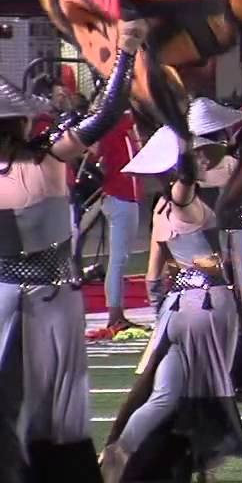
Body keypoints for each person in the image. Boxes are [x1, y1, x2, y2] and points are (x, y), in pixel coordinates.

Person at [0, 19, 142, 481]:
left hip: (6, 299)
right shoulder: (49, 157)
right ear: (20, 120)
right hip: (51, 299)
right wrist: (127, 51)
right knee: (58, 416)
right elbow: (106, 113)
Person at [99, 126, 242, 482]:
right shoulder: (185, 204)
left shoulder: (160, 210)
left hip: (175, 310)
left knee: (165, 395)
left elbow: (153, 276)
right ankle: (207, 467)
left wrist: (163, 313)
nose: (202, 161)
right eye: (195, 158)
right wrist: (187, 156)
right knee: (214, 391)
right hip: (210, 307)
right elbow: (187, 184)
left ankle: (119, 451)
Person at [186, 96, 242, 401]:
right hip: (232, 237)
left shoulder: (200, 161)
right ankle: (240, 380)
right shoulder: (226, 160)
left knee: (228, 308)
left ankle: (231, 378)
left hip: (225, 237)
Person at [93, 112, 142, 334]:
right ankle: (115, 314)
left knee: (119, 258)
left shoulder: (119, 131)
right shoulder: (118, 131)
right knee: (119, 259)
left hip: (121, 197)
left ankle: (116, 312)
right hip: (120, 197)